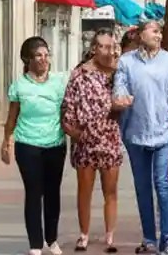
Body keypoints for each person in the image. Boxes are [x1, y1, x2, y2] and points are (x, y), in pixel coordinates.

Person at [113, 21, 168, 254]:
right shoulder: (126, 61)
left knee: (162, 184)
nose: (158, 35)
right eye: (154, 31)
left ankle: (167, 240)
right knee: (142, 187)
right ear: (140, 34)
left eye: (160, 31)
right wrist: (120, 99)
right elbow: (119, 89)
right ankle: (149, 238)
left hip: (164, 132)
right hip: (135, 133)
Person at [2, 36, 68, 255]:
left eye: (46, 55)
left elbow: (64, 114)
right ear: (27, 59)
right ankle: (35, 244)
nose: (44, 59)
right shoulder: (20, 85)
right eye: (38, 55)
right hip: (27, 144)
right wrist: (6, 141)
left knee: (52, 192)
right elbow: (12, 117)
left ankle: (52, 239)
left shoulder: (58, 82)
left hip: (55, 144)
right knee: (34, 192)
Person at [63, 30, 123, 253]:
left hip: (110, 138)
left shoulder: (118, 74)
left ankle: (110, 237)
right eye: (104, 47)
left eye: (112, 47)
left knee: (111, 190)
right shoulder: (79, 75)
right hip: (86, 141)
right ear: (94, 49)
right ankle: (84, 235)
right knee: (84, 190)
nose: (109, 52)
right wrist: (74, 133)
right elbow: (68, 108)